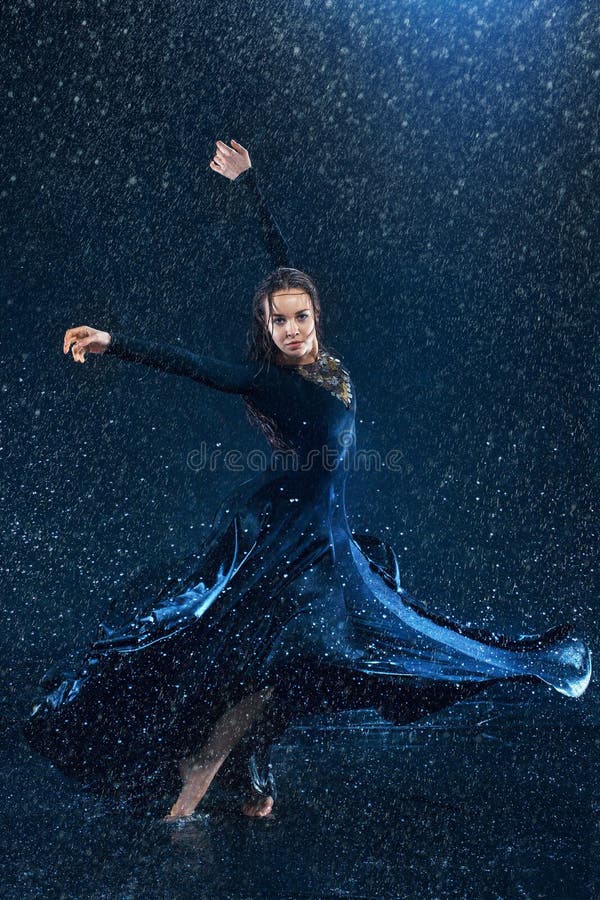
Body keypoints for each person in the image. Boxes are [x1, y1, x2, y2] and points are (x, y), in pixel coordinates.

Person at [24, 139, 592, 821]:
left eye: (301, 316)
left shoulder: (322, 359)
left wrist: (251, 183)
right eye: (278, 320)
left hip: (326, 537)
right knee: (278, 662)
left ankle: (243, 779)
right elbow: (194, 365)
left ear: (313, 315)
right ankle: (195, 796)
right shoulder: (272, 382)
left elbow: (280, 257)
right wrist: (115, 343)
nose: (292, 328)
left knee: (311, 661)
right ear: (266, 327)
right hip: (288, 541)